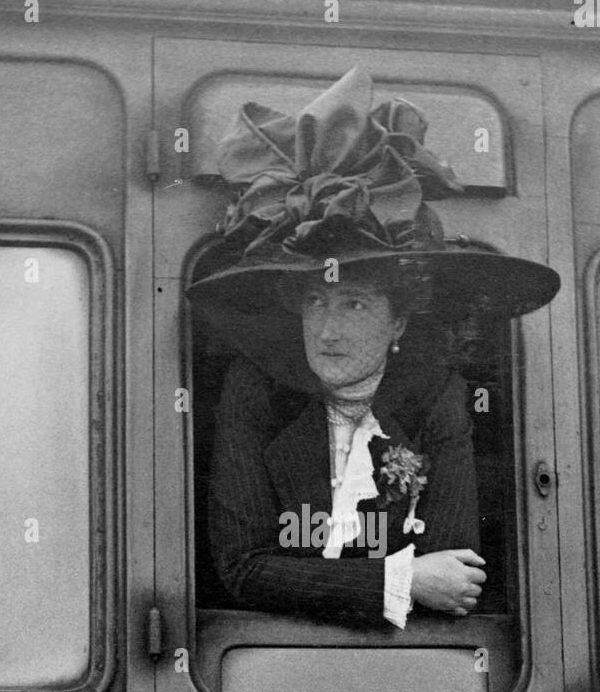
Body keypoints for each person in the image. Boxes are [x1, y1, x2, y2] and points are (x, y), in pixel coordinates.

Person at [187, 68, 560, 628]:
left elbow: (457, 576)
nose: (328, 330)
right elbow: (243, 568)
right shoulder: (257, 391)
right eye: (316, 302)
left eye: (355, 305)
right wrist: (400, 580)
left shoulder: (436, 396)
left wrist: (324, 582)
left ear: (398, 322)